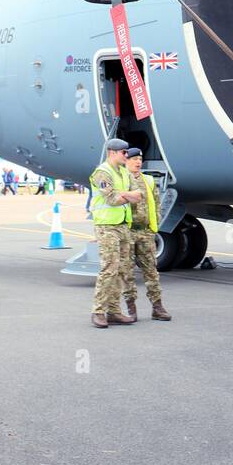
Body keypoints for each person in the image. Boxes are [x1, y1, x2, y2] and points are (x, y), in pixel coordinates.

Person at [88, 139, 140, 329]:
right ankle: (98, 311)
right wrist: (127, 195)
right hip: (107, 226)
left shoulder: (124, 172)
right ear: (112, 152)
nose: (127, 156)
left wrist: (125, 194)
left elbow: (138, 194)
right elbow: (112, 199)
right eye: (124, 153)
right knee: (109, 268)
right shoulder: (102, 173)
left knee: (122, 269)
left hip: (123, 225)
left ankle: (114, 311)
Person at [122, 149, 171, 322]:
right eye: (134, 159)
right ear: (126, 160)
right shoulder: (121, 179)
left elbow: (156, 203)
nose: (138, 162)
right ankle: (131, 308)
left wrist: (153, 226)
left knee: (151, 271)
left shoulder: (148, 180)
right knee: (127, 273)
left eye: (140, 159)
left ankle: (157, 307)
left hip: (145, 231)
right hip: (127, 231)